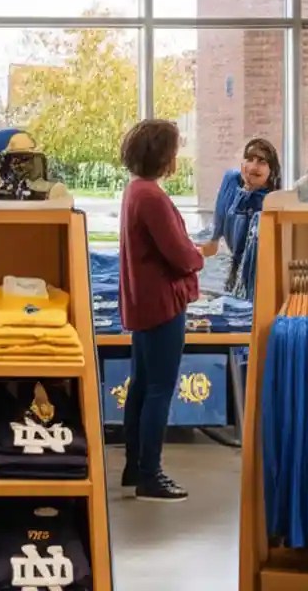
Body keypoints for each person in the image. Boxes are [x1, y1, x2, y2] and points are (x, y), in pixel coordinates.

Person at [117, 119, 204, 503]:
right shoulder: (152, 196)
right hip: (162, 304)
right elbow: (181, 255)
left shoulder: (134, 190)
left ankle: (135, 465)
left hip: (142, 301)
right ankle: (151, 474)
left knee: (140, 385)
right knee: (158, 390)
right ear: (163, 155)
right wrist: (199, 255)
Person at [198, 138, 281, 300]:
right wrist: (213, 239)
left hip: (256, 272)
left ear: (272, 170)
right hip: (225, 268)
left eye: (262, 162)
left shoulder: (271, 200)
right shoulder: (231, 180)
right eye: (250, 159)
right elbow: (220, 219)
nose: (254, 166)